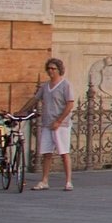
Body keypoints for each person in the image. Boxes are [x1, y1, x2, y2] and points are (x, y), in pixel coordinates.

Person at [29, 57, 76, 190]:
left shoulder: (65, 85)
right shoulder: (45, 86)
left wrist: (59, 120)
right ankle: (44, 180)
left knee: (63, 152)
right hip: (47, 123)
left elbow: (70, 104)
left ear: (59, 70)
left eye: (53, 69)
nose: (51, 71)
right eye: (49, 68)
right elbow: (35, 99)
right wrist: (21, 111)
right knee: (46, 153)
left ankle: (68, 181)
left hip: (61, 124)